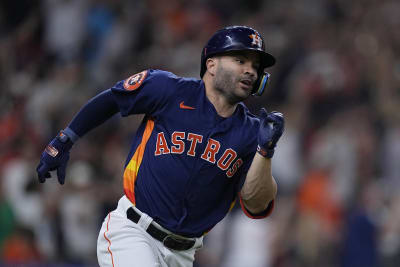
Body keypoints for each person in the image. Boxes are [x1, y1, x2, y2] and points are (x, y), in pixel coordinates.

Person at [36, 25, 285, 267]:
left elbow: (257, 205)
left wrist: (265, 152)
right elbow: (112, 100)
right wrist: (65, 139)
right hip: (134, 233)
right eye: (241, 60)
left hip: (184, 255)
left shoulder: (253, 132)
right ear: (211, 64)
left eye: (255, 66)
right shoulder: (169, 90)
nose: (250, 71)